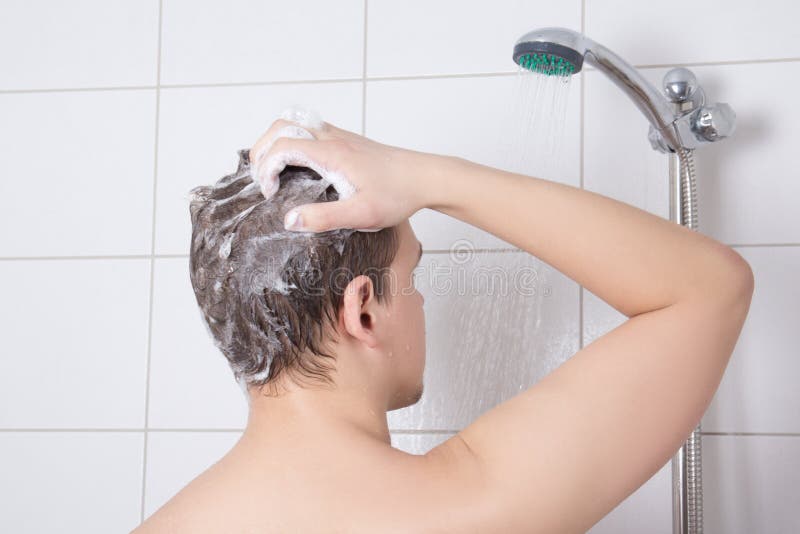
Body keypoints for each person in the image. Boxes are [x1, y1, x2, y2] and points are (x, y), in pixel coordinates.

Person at [133, 118, 754, 533]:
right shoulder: (466, 507)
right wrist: (430, 177)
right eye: (414, 274)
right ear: (363, 311)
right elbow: (708, 288)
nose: (423, 300)